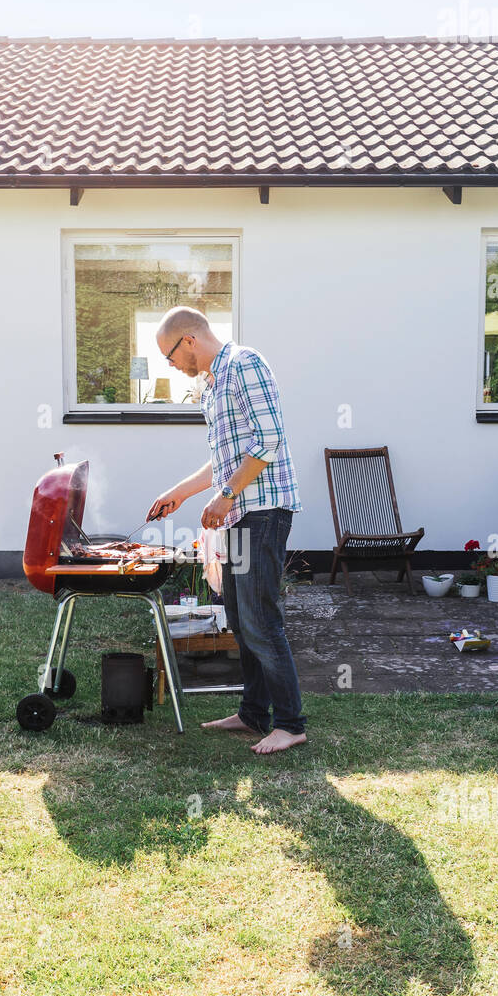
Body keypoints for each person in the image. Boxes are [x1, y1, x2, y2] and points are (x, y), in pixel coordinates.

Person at [146, 307, 306, 755]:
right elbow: (225, 459)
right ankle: (254, 713)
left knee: (260, 618)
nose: (172, 365)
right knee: (238, 617)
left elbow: (268, 440)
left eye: (170, 355)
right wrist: (180, 492)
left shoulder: (244, 364)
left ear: (189, 340)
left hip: (262, 512)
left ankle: (290, 724)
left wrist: (227, 496)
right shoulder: (213, 384)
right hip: (239, 514)